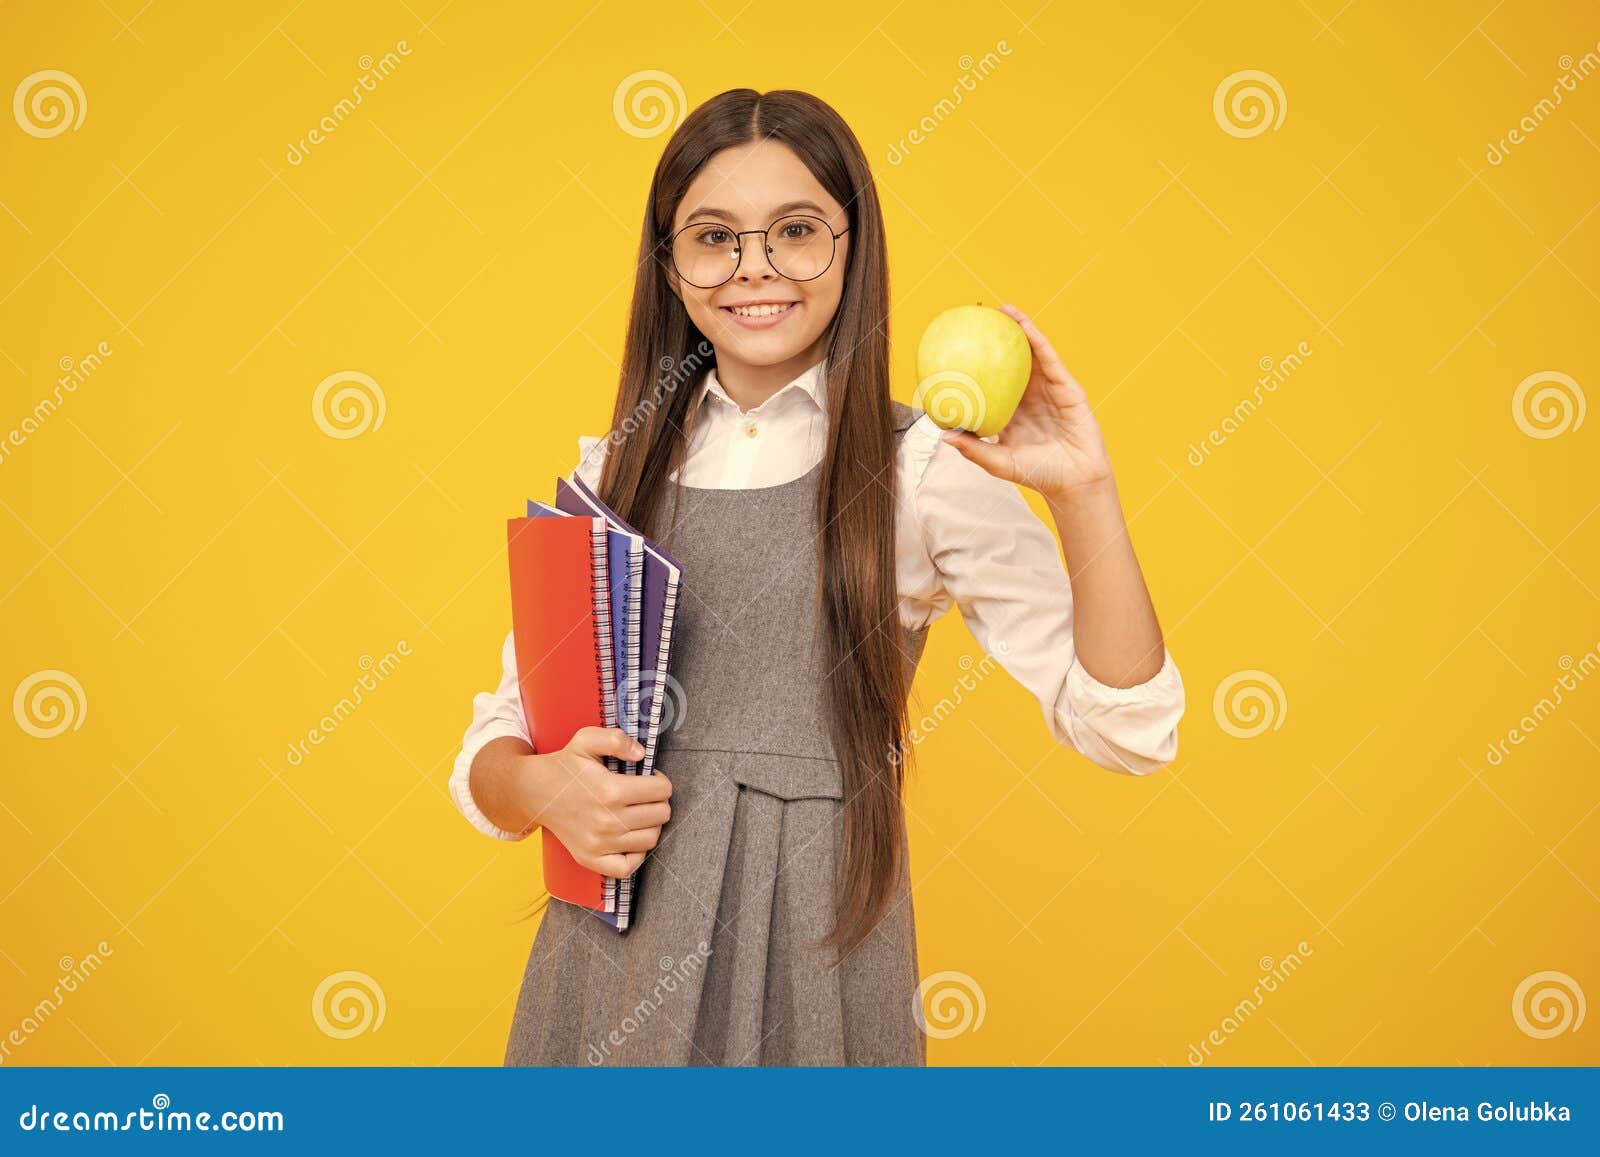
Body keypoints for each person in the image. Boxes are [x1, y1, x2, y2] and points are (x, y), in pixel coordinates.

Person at [450, 88, 1185, 1065]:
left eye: (795, 230)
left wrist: (1084, 490)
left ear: (852, 242)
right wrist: (542, 788)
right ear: (668, 266)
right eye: (713, 237)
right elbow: (495, 749)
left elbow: (1126, 727)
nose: (754, 268)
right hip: (605, 968)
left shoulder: (919, 469)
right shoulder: (607, 474)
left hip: (808, 964)